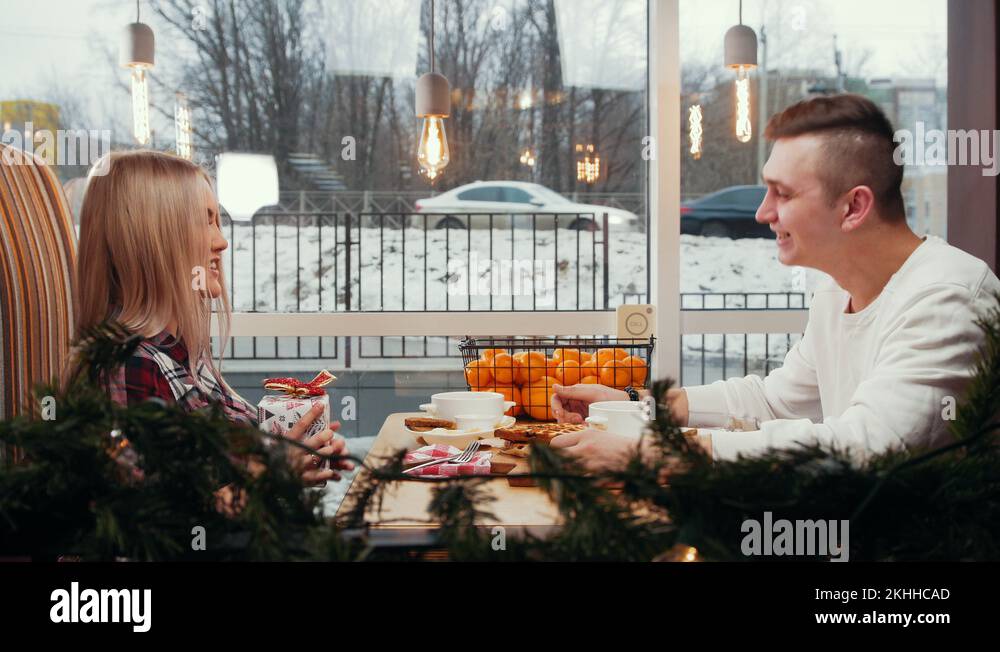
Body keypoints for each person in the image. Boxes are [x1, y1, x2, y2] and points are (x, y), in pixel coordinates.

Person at [550, 93, 1000, 470]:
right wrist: (642, 405)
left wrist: (662, 451)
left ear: (853, 207)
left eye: (782, 193)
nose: (763, 213)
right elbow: (774, 400)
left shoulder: (948, 296)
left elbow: (868, 447)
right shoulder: (834, 292)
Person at [66, 150, 352, 485]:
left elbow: (228, 473)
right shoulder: (130, 365)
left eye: (217, 221)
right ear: (154, 237)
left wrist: (301, 448)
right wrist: (273, 472)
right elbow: (158, 516)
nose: (222, 241)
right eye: (204, 221)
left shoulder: (183, 356)